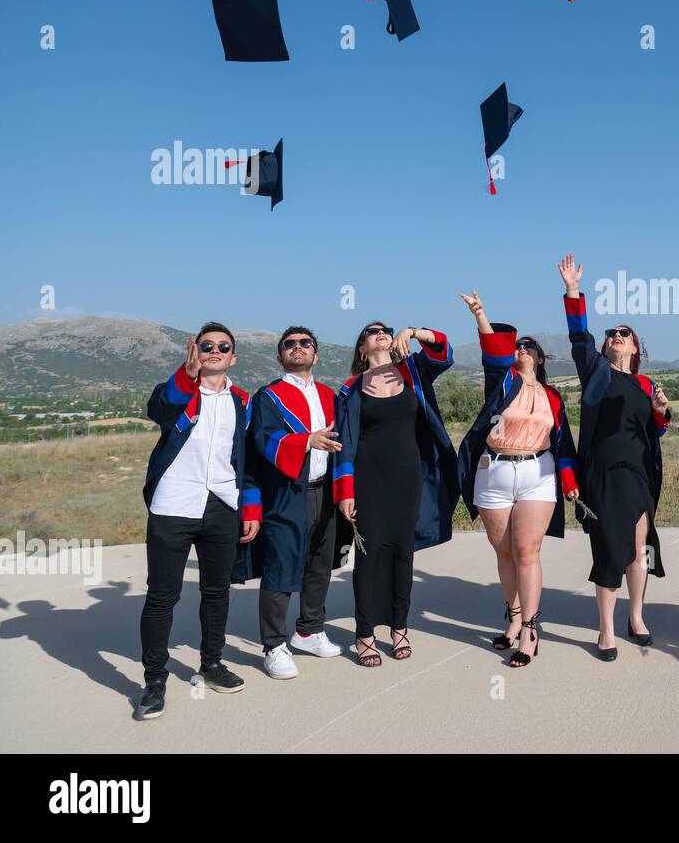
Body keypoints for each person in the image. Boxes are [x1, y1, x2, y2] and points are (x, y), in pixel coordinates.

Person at [136, 324, 260, 719]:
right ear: (196, 352)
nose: (215, 351)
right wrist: (186, 375)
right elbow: (158, 408)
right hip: (173, 504)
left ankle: (211, 664)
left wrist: (250, 508)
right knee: (161, 597)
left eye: (223, 347)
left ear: (233, 357)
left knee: (217, 591)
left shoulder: (242, 401)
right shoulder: (178, 394)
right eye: (207, 346)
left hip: (222, 505)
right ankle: (155, 680)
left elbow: (247, 460)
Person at [456, 290, 579, 667]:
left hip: (537, 473)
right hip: (492, 471)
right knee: (504, 551)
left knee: (527, 551)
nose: (522, 349)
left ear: (540, 358)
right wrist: (481, 314)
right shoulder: (502, 383)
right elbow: (493, 350)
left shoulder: (553, 397)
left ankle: (530, 629)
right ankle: (511, 618)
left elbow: (564, 444)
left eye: (529, 347)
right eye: (518, 346)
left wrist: (570, 481)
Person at [560, 255, 672, 661]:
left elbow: (655, 430)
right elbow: (579, 339)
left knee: (640, 548)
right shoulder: (596, 371)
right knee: (610, 547)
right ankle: (606, 630)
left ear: (636, 345)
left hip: (638, 474)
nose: (616, 336)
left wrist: (661, 410)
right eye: (611, 333)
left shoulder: (645, 383)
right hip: (603, 473)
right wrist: (573, 291)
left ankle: (636, 617)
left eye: (624, 332)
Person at [334, 321, 457, 667]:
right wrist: (345, 490)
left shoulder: (413, 370)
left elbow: (445, 351)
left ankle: (400, 627)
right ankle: (364, 633)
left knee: (404, 553)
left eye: (386, 329)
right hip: (368, 480)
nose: (381, 332)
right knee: (370, 555)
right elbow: (343, 444)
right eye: (372, 332)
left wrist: (415, 332)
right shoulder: (350, 389)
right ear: (362, 349)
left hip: (408, 478)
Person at [239, 327, 346, 680]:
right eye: (290, 344)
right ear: (279, 355)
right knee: (281, 566)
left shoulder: (332, 397)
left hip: (324, 491)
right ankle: (274, 645)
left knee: (320, 563)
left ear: (315, 355)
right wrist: (306, 441)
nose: (297, 348)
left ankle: (309, 630)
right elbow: (261, 441)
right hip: (286, 492)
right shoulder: (269, 396)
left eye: (305, 344)